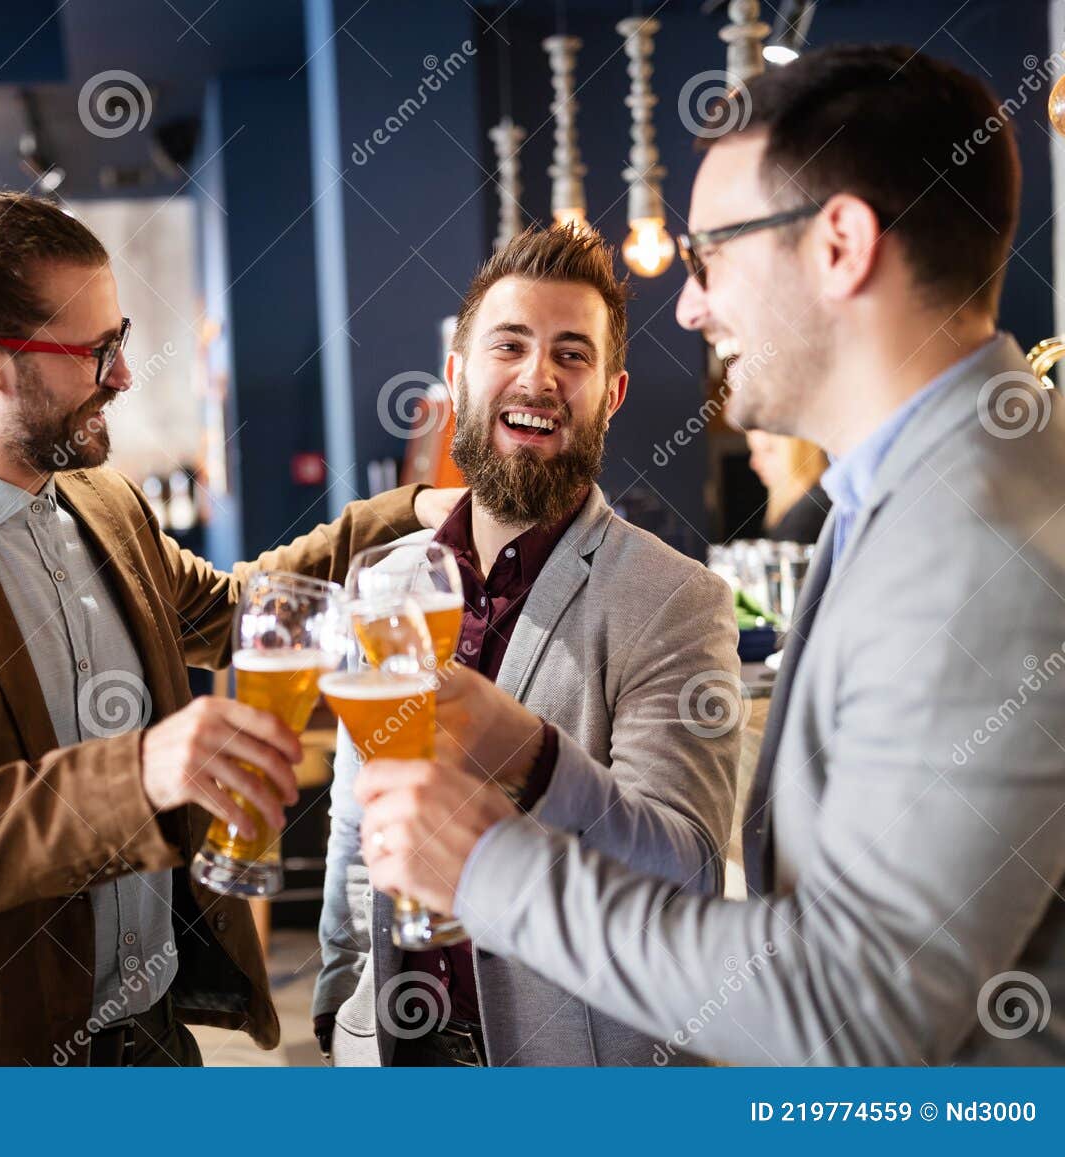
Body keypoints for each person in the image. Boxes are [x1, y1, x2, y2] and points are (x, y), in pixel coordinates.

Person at [355, 45, 1065, 1064]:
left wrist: (480, 867)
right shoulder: (907, 498)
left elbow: (852, 1009)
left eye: (710, 255)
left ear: (838, 246)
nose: (690, 307)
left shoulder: (975, 543)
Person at [0, 163, 458, 1066]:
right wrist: (134, 775)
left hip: (153, 1041)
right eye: (96, 351)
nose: (125, 373)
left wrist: (412, 512)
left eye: (120, 337)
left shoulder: (104, 500)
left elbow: (236, 611)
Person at [316, 224, 741, 1066]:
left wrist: (535, 758)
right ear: (456, 374)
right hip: (395, 1053)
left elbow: (686, 867)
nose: (539, 376)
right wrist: (337, 1004)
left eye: (572, 356)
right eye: (508, 344)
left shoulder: (677, 600)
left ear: (610, 395)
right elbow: (355, 816)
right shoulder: (386, 581)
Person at [746, 430, 829, 543]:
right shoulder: (800, 505)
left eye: (767, 450)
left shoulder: (807, 511)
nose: (753, 463)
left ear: (799, 453)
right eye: (754, 451)